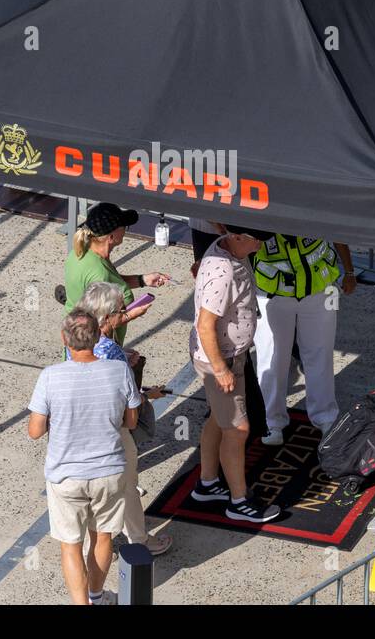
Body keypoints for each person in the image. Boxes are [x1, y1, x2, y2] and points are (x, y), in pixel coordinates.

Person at [28, 310, 141, 605]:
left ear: (65, 339)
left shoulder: (50, 376)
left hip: (66, 476)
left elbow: (35, 431)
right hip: (109, 471)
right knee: (102, 537)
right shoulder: (118, 371)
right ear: (97, 337)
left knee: (71, 545)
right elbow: (131, 421)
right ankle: (97, 595)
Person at [189, 224, 281, 523]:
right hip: (221, 360)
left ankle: (207, 483)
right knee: (238, 429)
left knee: (219, 417)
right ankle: (239, 501)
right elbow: (205, 325)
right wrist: (220, 370)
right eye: (257, 239)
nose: (262, 244)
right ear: (238, 238)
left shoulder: (224, 247)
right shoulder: (223, 272)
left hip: (231, 355)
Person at [75, 281, 173, 555]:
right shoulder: (113, 353)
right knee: (127, 486)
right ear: (106, 318)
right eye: (120, 310)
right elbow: (125, 407)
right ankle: (139, 541)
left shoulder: (79, 342)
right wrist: (147, 395)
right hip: (112, 432)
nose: (124, 314)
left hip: (81, 430)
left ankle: (83, 548)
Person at [252, 234, 356, 444]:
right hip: (271, 293)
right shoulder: (260, 203)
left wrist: (350, 271)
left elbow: (336, 227)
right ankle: (272, 421)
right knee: (272, 357)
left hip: (321, 290)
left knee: (320, 353)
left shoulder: (316, 201)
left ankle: (326, 417)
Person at [64, 202, 170, 345]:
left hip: (76, 338)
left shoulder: (81, 252)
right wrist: (131, 314)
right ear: (111, 237)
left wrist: (142, 280)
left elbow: (111, 282)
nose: (126, 230)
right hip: (97, 348)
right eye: (124, 227)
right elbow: (104, 325)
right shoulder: (99, 272)